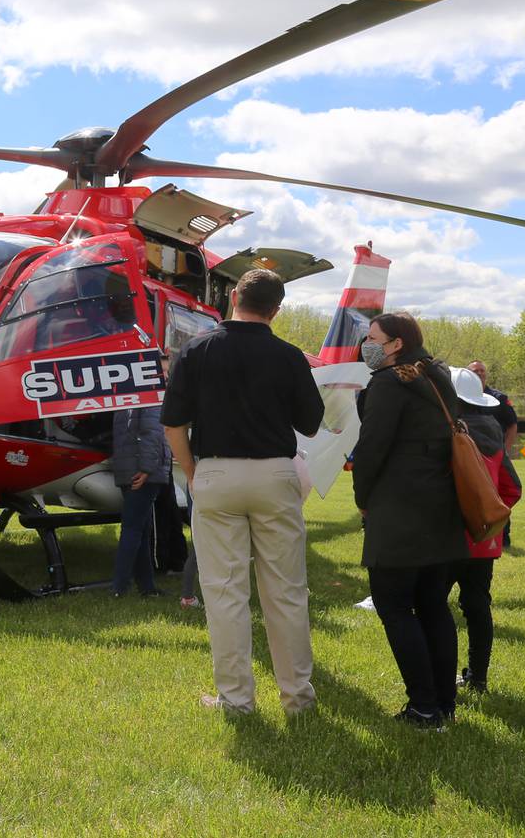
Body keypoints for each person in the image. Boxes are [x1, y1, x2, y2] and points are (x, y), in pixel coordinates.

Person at [162, 269, 324, 716]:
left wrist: (193, 471)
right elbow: (311, 422)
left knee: (225, 593)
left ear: (234, 296)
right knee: (287, 593)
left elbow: (173, 423)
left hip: (215, 473)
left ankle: (235, 700)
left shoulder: (196, 350)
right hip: (275, 474)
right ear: (276, 309)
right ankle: (298, 699)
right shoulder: (289, 356)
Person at [352, 312, 469, 728]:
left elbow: (371, 449)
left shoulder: (387, 384)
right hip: (441, 507)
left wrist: (362, 498)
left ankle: (423, 706)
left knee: (395, 605)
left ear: (395, 343)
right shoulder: (436, 375)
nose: (366, 344)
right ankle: (444, 702)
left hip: (399, 509)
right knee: (433, 604)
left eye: (372, 338)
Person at [447, 366, 522, 695]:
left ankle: (441, 677)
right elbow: (512, 489)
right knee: (477, 606)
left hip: (445, 536)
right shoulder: (493, 433)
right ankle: (478, 678)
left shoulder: (448, 432)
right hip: (482, 540)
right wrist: (485, 521)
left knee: (434, 606)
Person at [110, 382, 172, 597]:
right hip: (144, 472)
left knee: (141, 529)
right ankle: (119, 587)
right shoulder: (151, 398)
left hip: (127, 470)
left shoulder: (124, 398)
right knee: (134, 529)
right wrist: (147, 469)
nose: (166, 376)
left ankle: (147, 586)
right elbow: (152, 434)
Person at [467, 360, 518, 545]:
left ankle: (503, 536)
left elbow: (512, 425)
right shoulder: (460, 396)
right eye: (475, 371)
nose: (479, 373)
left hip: (495, 457)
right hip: (469, 456)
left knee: (499, 493)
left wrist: (505, 450)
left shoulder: (499, 398)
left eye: (482, 371)